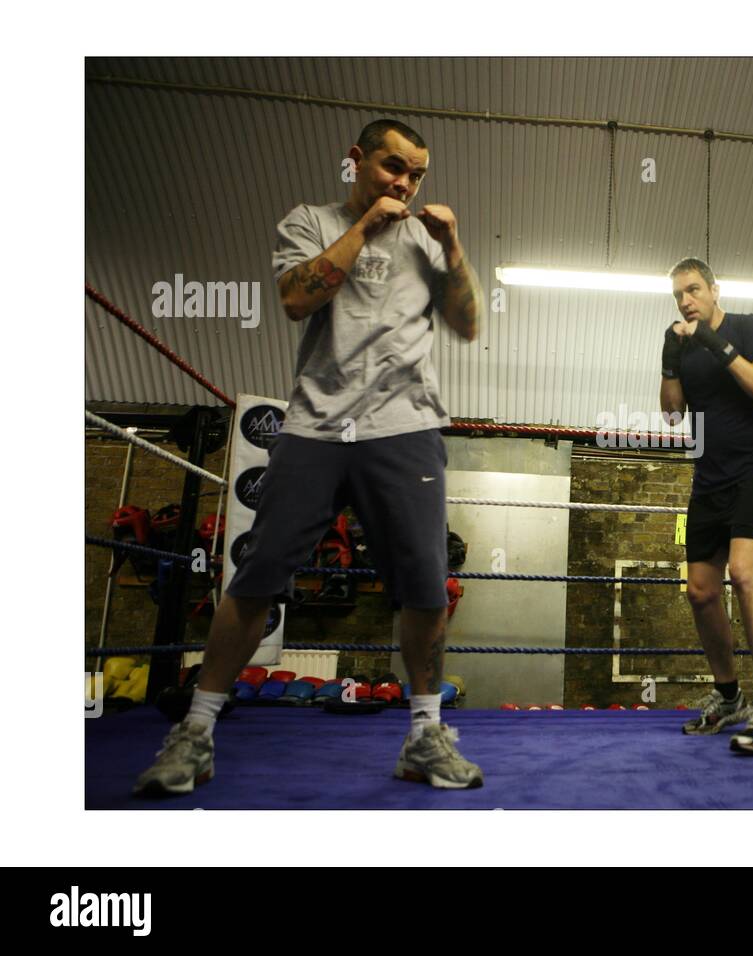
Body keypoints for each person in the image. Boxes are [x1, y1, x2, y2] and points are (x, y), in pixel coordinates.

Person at [133, 118, 486, 795]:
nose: (404, 183)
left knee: (423, 586)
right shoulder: (309, 221)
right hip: (317, 427)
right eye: (392, 167)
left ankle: (424, 735)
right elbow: (298, 297)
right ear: (356, 161)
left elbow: (468, 323)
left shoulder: (426, 239)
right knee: (256, 577)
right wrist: (367, 229)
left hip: (405, 429)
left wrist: (452, 245)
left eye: (415, 174)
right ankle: (197, 732)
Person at [659, 257, 753, 754]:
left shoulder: (752, 328)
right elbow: (672, 413)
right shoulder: (685, 344)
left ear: (715, 290)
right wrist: (671, 360)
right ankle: (729, 693)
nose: (686, 301)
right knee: (699, 590)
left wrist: (717, 345)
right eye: (678, 295)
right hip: (708, 477)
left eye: (692, 290)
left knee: (744, 571)